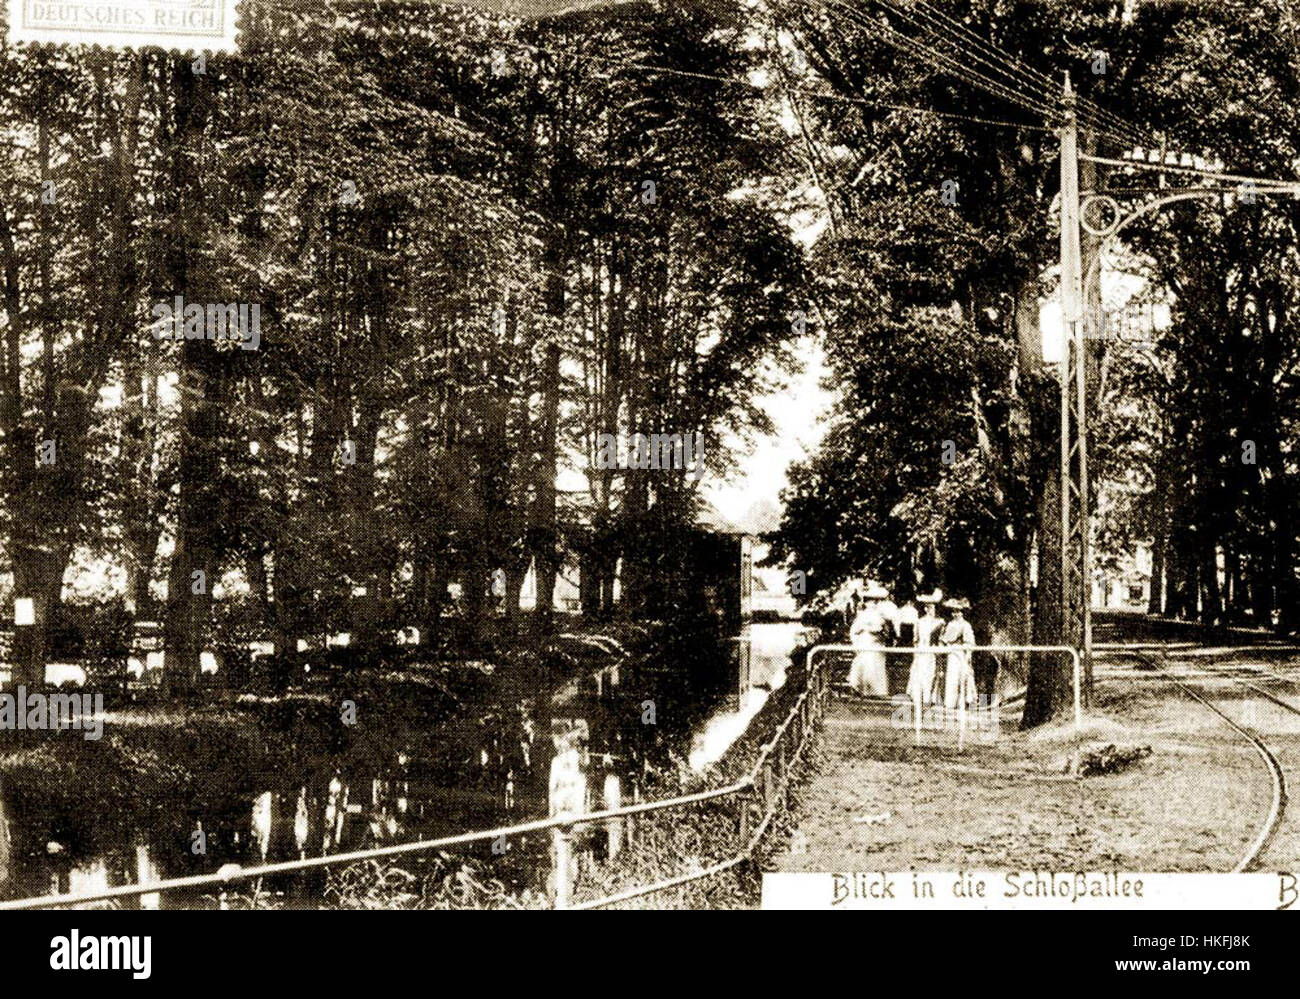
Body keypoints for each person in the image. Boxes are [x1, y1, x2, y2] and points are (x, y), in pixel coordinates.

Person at [848, 583, 892, 696]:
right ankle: (864, 689)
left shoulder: (881, 615)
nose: (873, 603)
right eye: (870, 601)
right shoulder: (862, 615)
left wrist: (881, 633)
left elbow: (885, 630)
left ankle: (877, 691)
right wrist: (859, 638)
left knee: (876, 666)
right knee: (866, 665)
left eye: (875, 601)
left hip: (877, 644)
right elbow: (854, 630)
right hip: (866, 642)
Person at [907, 589, 944, 723]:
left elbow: (940, 639)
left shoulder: (940, 622)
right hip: (921, 651)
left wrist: (937, 649)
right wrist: (916, 651)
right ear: (925, 608)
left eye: (933, 607)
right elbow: (915, 639)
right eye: (929, 607)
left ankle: (929, 699)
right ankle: (918, 699)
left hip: (932, 652)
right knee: (919, 674)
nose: (931, 610)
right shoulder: (919, 622)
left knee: (930, 675)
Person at [941, 597, 977, 710]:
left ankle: (965, 701)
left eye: (958, 611)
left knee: (963, 676)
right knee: (952, 676)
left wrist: (968, 654)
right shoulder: (950, 625)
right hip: (951, 652)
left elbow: (970, 642)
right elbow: (944, 639)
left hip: (961, 652)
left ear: (962, 613)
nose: (956, 614)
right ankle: (950, 702)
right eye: (954, 611)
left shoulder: (966, 625)